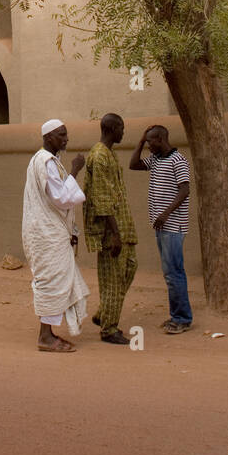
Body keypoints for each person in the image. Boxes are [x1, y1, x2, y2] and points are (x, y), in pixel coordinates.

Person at [21, 119, 89, 353]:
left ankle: (48, 332)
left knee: (57, 278)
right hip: (46, 234)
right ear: (48, 137)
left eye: (66, 134)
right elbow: (60, 198)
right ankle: (45, 337)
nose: (66, 138)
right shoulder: (47, 162)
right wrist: (76, 170)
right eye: (61, 135)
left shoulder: (43, 160)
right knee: (52, 280)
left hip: (48, 231)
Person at [129, 125, 192, 334]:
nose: (148, 146)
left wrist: (165, 213)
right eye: (146, 142)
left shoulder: (178, 160)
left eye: (150, 142)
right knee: (170, 273)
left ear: (162, 139)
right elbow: (134, 165)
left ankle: (182, 319)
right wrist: (139, 142)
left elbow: (185, 190)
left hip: (173, 226)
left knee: (174, 273)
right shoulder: (156, 160)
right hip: (161, 226)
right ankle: (177, 316)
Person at [82, 112, 137, 345]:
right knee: (112, 279)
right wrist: (114, 234)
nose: (124, 132)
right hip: (110, 230)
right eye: (121, 127)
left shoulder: (110, 154)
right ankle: (109, 329)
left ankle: (103, 314)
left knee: (130, 268)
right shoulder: (99, 156)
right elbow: (102, 199)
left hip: (123, 225)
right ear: (112, 128)